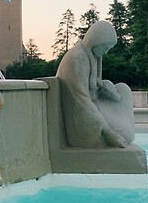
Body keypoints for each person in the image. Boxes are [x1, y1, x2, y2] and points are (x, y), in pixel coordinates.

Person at [55, 20, 135, 149]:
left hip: (94, 106)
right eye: (105, 47)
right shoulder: (78, 58)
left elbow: (92, 88)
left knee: (123, 89)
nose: (106, 52)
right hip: (82, 117)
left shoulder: (91, 54)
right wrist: (110, 134)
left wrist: (106, 88)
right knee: (126, 134)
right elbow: (83, 101)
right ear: (97, 40)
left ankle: (124, 129)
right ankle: (120, 131)